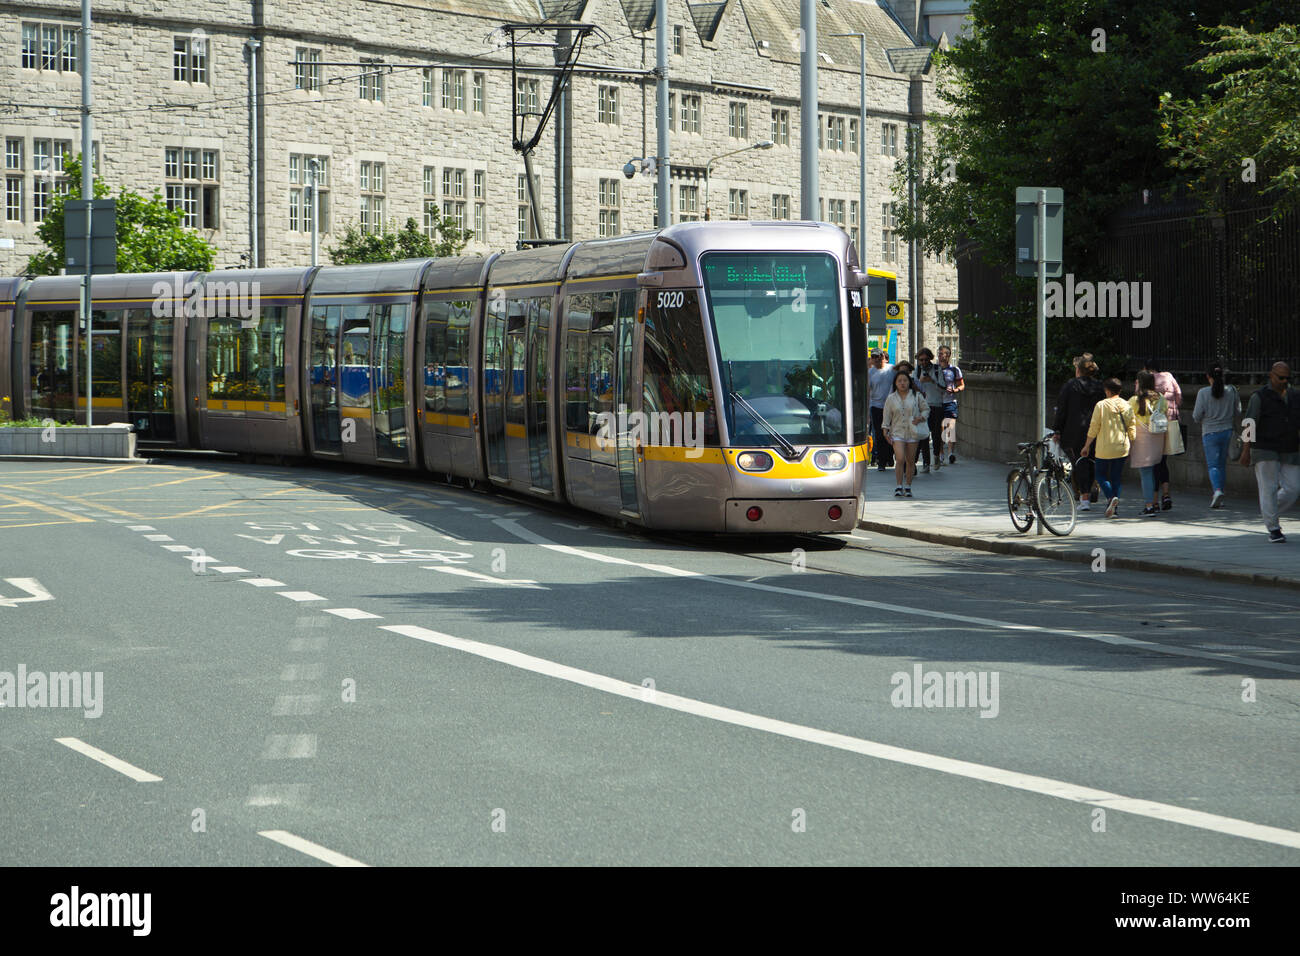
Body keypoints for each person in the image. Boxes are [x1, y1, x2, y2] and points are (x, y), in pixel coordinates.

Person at [1239, 361, 1300, 543]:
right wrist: (1246, 450)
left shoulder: (1295, 396)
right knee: (1269, 487)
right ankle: (1273, 527)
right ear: (1271, 375)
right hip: (1265, 447)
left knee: (1293, 488)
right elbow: (1249, 423)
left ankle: (1269, 510)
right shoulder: (1259, 396)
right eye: (1280, 377)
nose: (1284, 381)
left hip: (1289, 446)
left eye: (1287, 378)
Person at [1051, 353, 1105, 510]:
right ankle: (1090, 488)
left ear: (1078, 370)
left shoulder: (1070, 386)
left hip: (1073, 430)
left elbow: (1062, 409)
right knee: (1091, 461)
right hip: (1095, 429)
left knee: (1079, 462)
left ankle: (1084, 496)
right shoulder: (1099, 386)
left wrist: (1057, 429)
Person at [1081, 378, 1136, 518]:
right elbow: (1132, 427)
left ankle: (1111, 498)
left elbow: (1094, 427)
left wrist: (1086, 445)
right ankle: (1114, 509)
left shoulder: (1101, 405)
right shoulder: (1127, 404)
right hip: (1122, 447)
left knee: (1100, 475)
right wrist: (1132, 446)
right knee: (1116, 478)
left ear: (1108, 390)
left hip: (1104, 448)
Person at [1192, 363, 1240, 509]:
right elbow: (1238, 411)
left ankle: (1217, 491)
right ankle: (1220, 493)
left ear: (1208, 376)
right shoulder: (1231, 390)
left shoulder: (1203, 393)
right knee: (1222, 465)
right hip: (1227, 431)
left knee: (1213, 465)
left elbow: (1196, 416)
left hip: (1210, 432)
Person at [1141, 359, 1183, 510]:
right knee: (1163, 462)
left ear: (1146, 368)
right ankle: (1166, 494)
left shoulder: (1143, 379)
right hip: (1168, 424)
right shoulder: (1169, 377)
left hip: (1150, 427)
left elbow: (1139, 403)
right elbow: (1179, 397)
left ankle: (1153, 500)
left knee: (1152, 464)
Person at [881, 370, 929, 498]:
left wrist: (920, 418)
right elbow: (886, 415)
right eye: (899, 381)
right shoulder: (891, 398)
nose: (902, 383)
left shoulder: (916, 396)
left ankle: (908, 485)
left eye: (905, 380)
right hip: (897, 432)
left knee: (910, 461)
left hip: (913, 432)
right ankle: (898, 485)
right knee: (900, 458)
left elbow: (926, 409)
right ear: (895, 383)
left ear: (909, 382)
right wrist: (885, 430)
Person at [1128, 371, 1168, 517]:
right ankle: (1154, 502)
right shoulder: (1161, 398)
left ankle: (1149, 505)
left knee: (1145, 472)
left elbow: (1127, 418)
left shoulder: (1134, 400)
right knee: (1153, 469)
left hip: (1142, 438)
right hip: (1157, 437)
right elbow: (1166, 413)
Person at [914, 348, 946, 474]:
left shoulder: (937, 370)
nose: (923, 362)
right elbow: (914, 389)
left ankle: (936, 455)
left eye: (926, 359)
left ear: (930, 358)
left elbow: (944, 388)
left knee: (936, 433)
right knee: (923, 435)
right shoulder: (917, 371)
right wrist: (919, 383)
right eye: (921, 360)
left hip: (936, 404)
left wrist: (932, 381)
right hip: (922, 406)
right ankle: (926, 463)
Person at [867, 350, 895, 471]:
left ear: (883, 357)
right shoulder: (870, 372)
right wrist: (867, 410)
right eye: (873, 357)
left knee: (891, 432)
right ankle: (881, 461)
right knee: (879, 434)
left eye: (878, 357)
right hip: (876, 406)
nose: (876, 359)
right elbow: (868, 391)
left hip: (891, 406)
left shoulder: (892, 369)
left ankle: (890, 457)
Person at [936, 345, 964, 463]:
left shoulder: (954, 370)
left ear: (948, 355)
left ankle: (951, 453)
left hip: (950, 401)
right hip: (937, 402)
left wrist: (955, 390)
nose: (941, 356)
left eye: (944, 354)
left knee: (950, 427)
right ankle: (941, 452)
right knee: (940, 429)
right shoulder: (934, 369)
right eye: (940, 354)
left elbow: (961, 385)